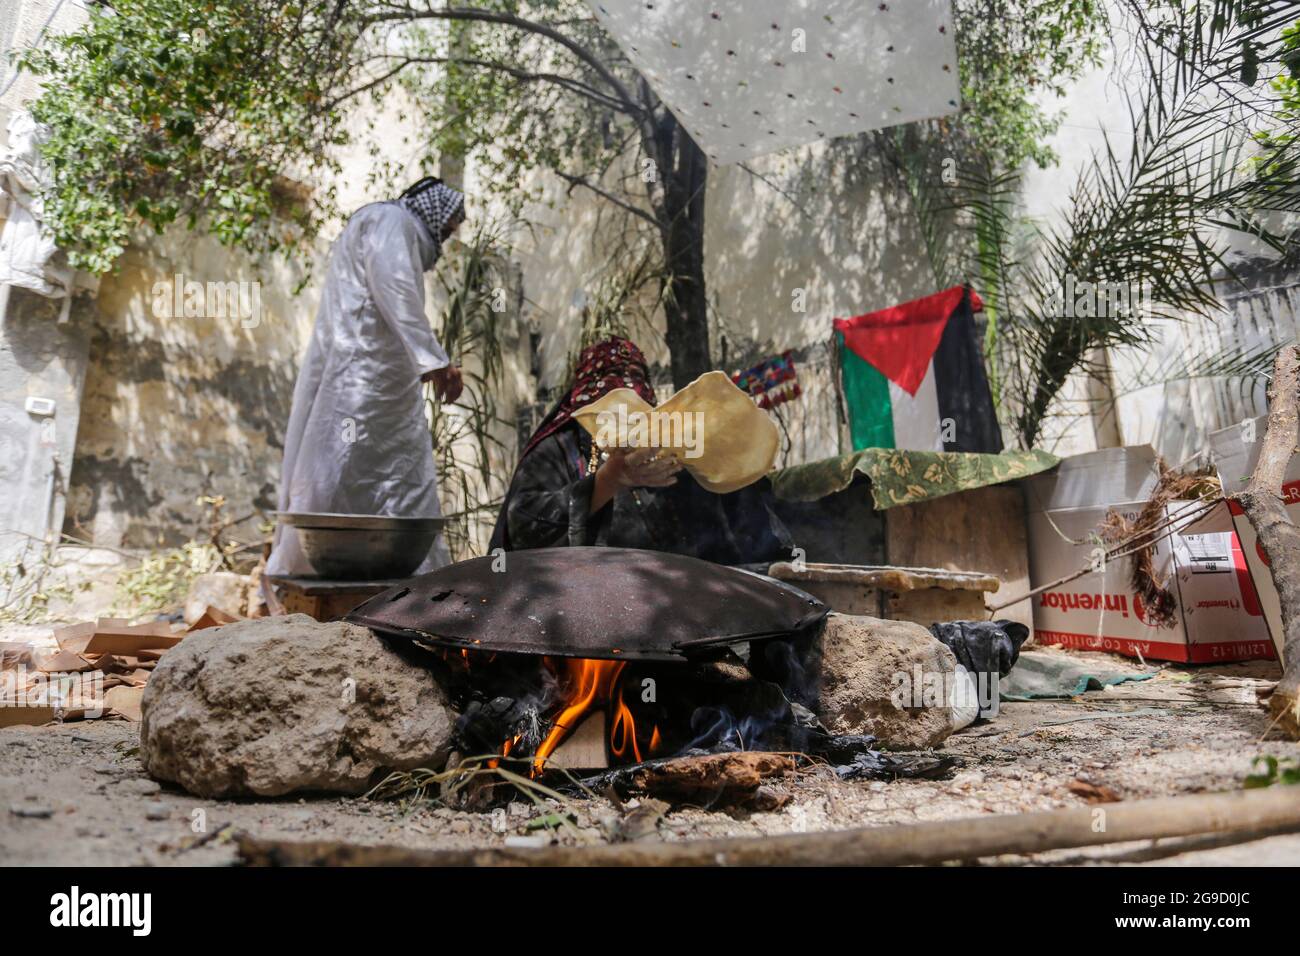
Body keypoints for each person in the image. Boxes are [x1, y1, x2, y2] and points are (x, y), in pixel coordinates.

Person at [267, 176, 467, 577]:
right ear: (433, 209)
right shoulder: (393, 221)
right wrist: (435, 360)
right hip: (364, 375)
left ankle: (396, 572)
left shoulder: (390, 224)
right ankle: (314, 566)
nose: (447, 235)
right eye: (449, 224)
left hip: (385, 379)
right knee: (343, 463)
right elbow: (395, 290)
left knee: (388, 470)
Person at [488, 337, 793, 567]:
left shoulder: (672, 441)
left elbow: (735, 537)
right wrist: (608, 480)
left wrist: (736, 460)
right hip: (583, 620)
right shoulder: (560, 448)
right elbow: (524, 528)